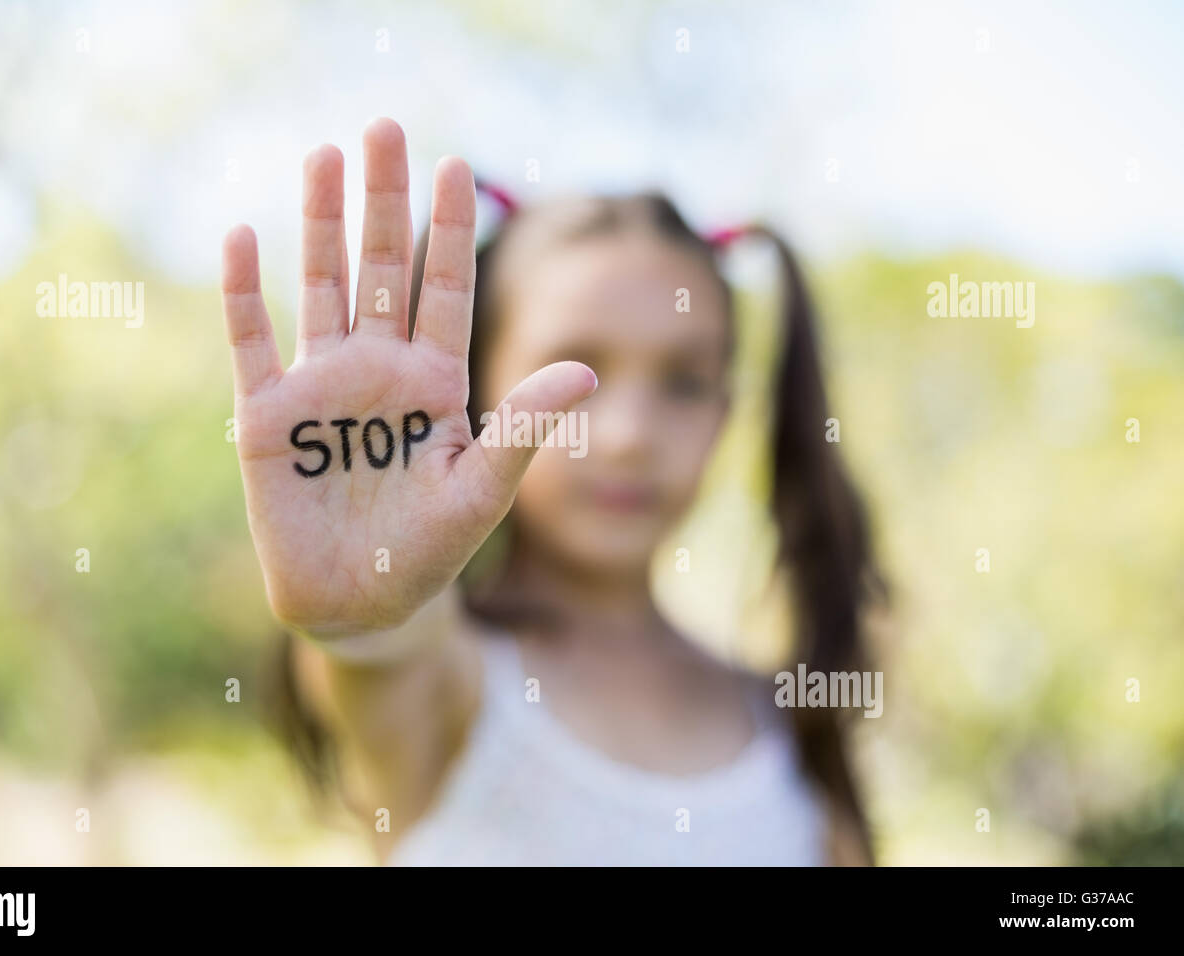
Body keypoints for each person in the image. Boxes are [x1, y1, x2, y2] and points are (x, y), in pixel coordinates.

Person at [220, 117, 883, 865]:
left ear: (726, 414)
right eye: (573, 371)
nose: (632, 434)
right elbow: (381, 652)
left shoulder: (785, 727)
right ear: (472, 387)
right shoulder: (449, 687)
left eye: (685, 383)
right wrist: (367, 598)